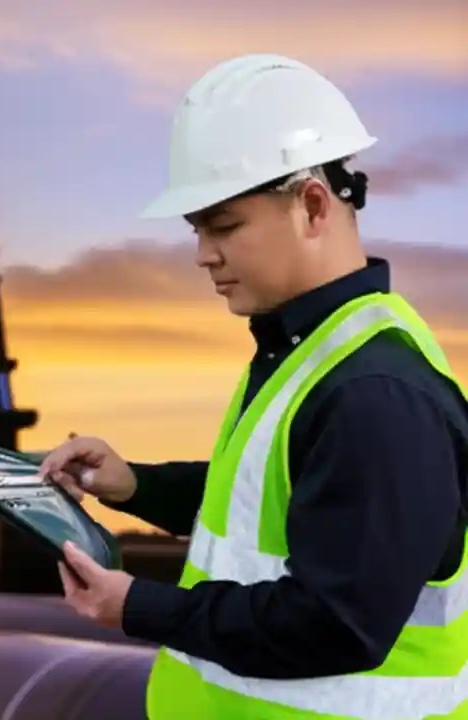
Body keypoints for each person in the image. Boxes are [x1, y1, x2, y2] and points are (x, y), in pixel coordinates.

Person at [38, 53, 468, 718]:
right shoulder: (308, 352)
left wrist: (140, 606)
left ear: (313, 205)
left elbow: (337, 622)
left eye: (224, 226)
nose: (203, 254)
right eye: (199, 230)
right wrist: (136, 486)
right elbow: (268, 503)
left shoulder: (375, 392)